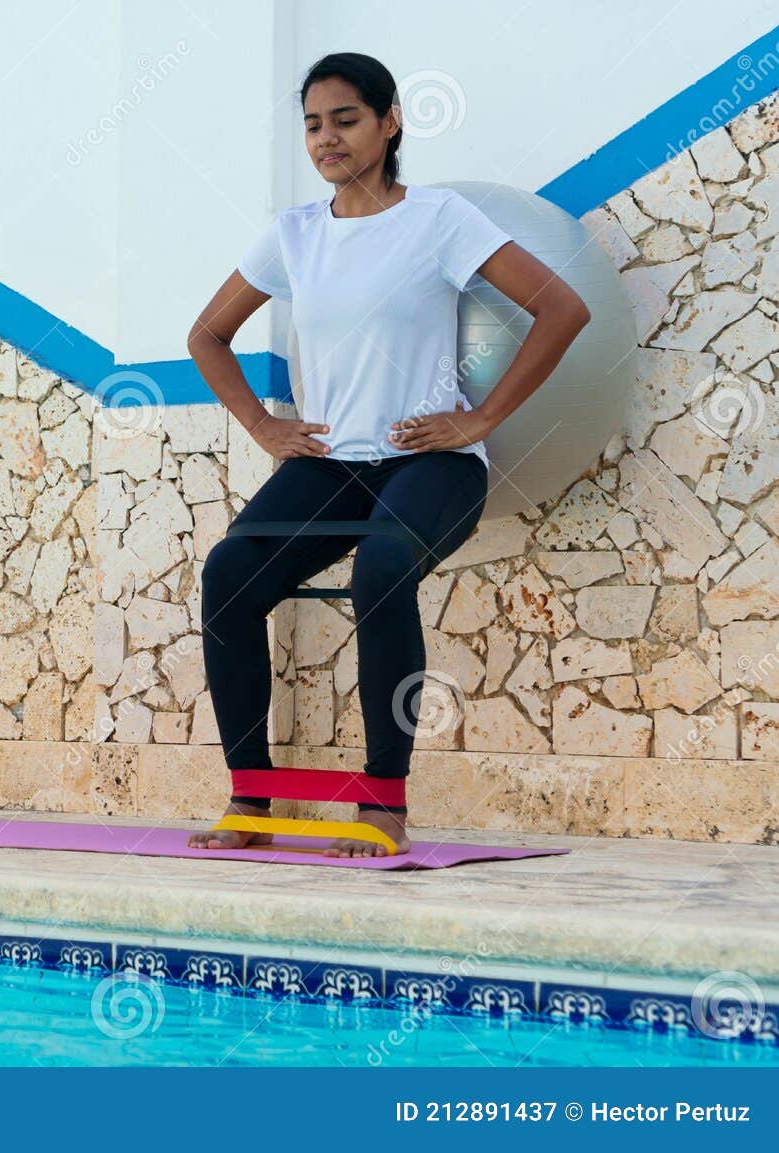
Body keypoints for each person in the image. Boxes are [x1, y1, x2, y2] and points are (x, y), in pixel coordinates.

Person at [184, 52, 591, 857]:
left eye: (345, 119)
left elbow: (562, 308)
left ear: (390, 121)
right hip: (332, 465)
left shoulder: (438, 219)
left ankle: (383, 803)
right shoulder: (294, 235)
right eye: (312, 124)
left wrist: (481, 419)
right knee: (228, 575)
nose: (326, 138)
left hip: (429, 465)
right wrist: (267, 428)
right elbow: (206, 335)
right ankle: (251, 801)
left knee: (381, 566)